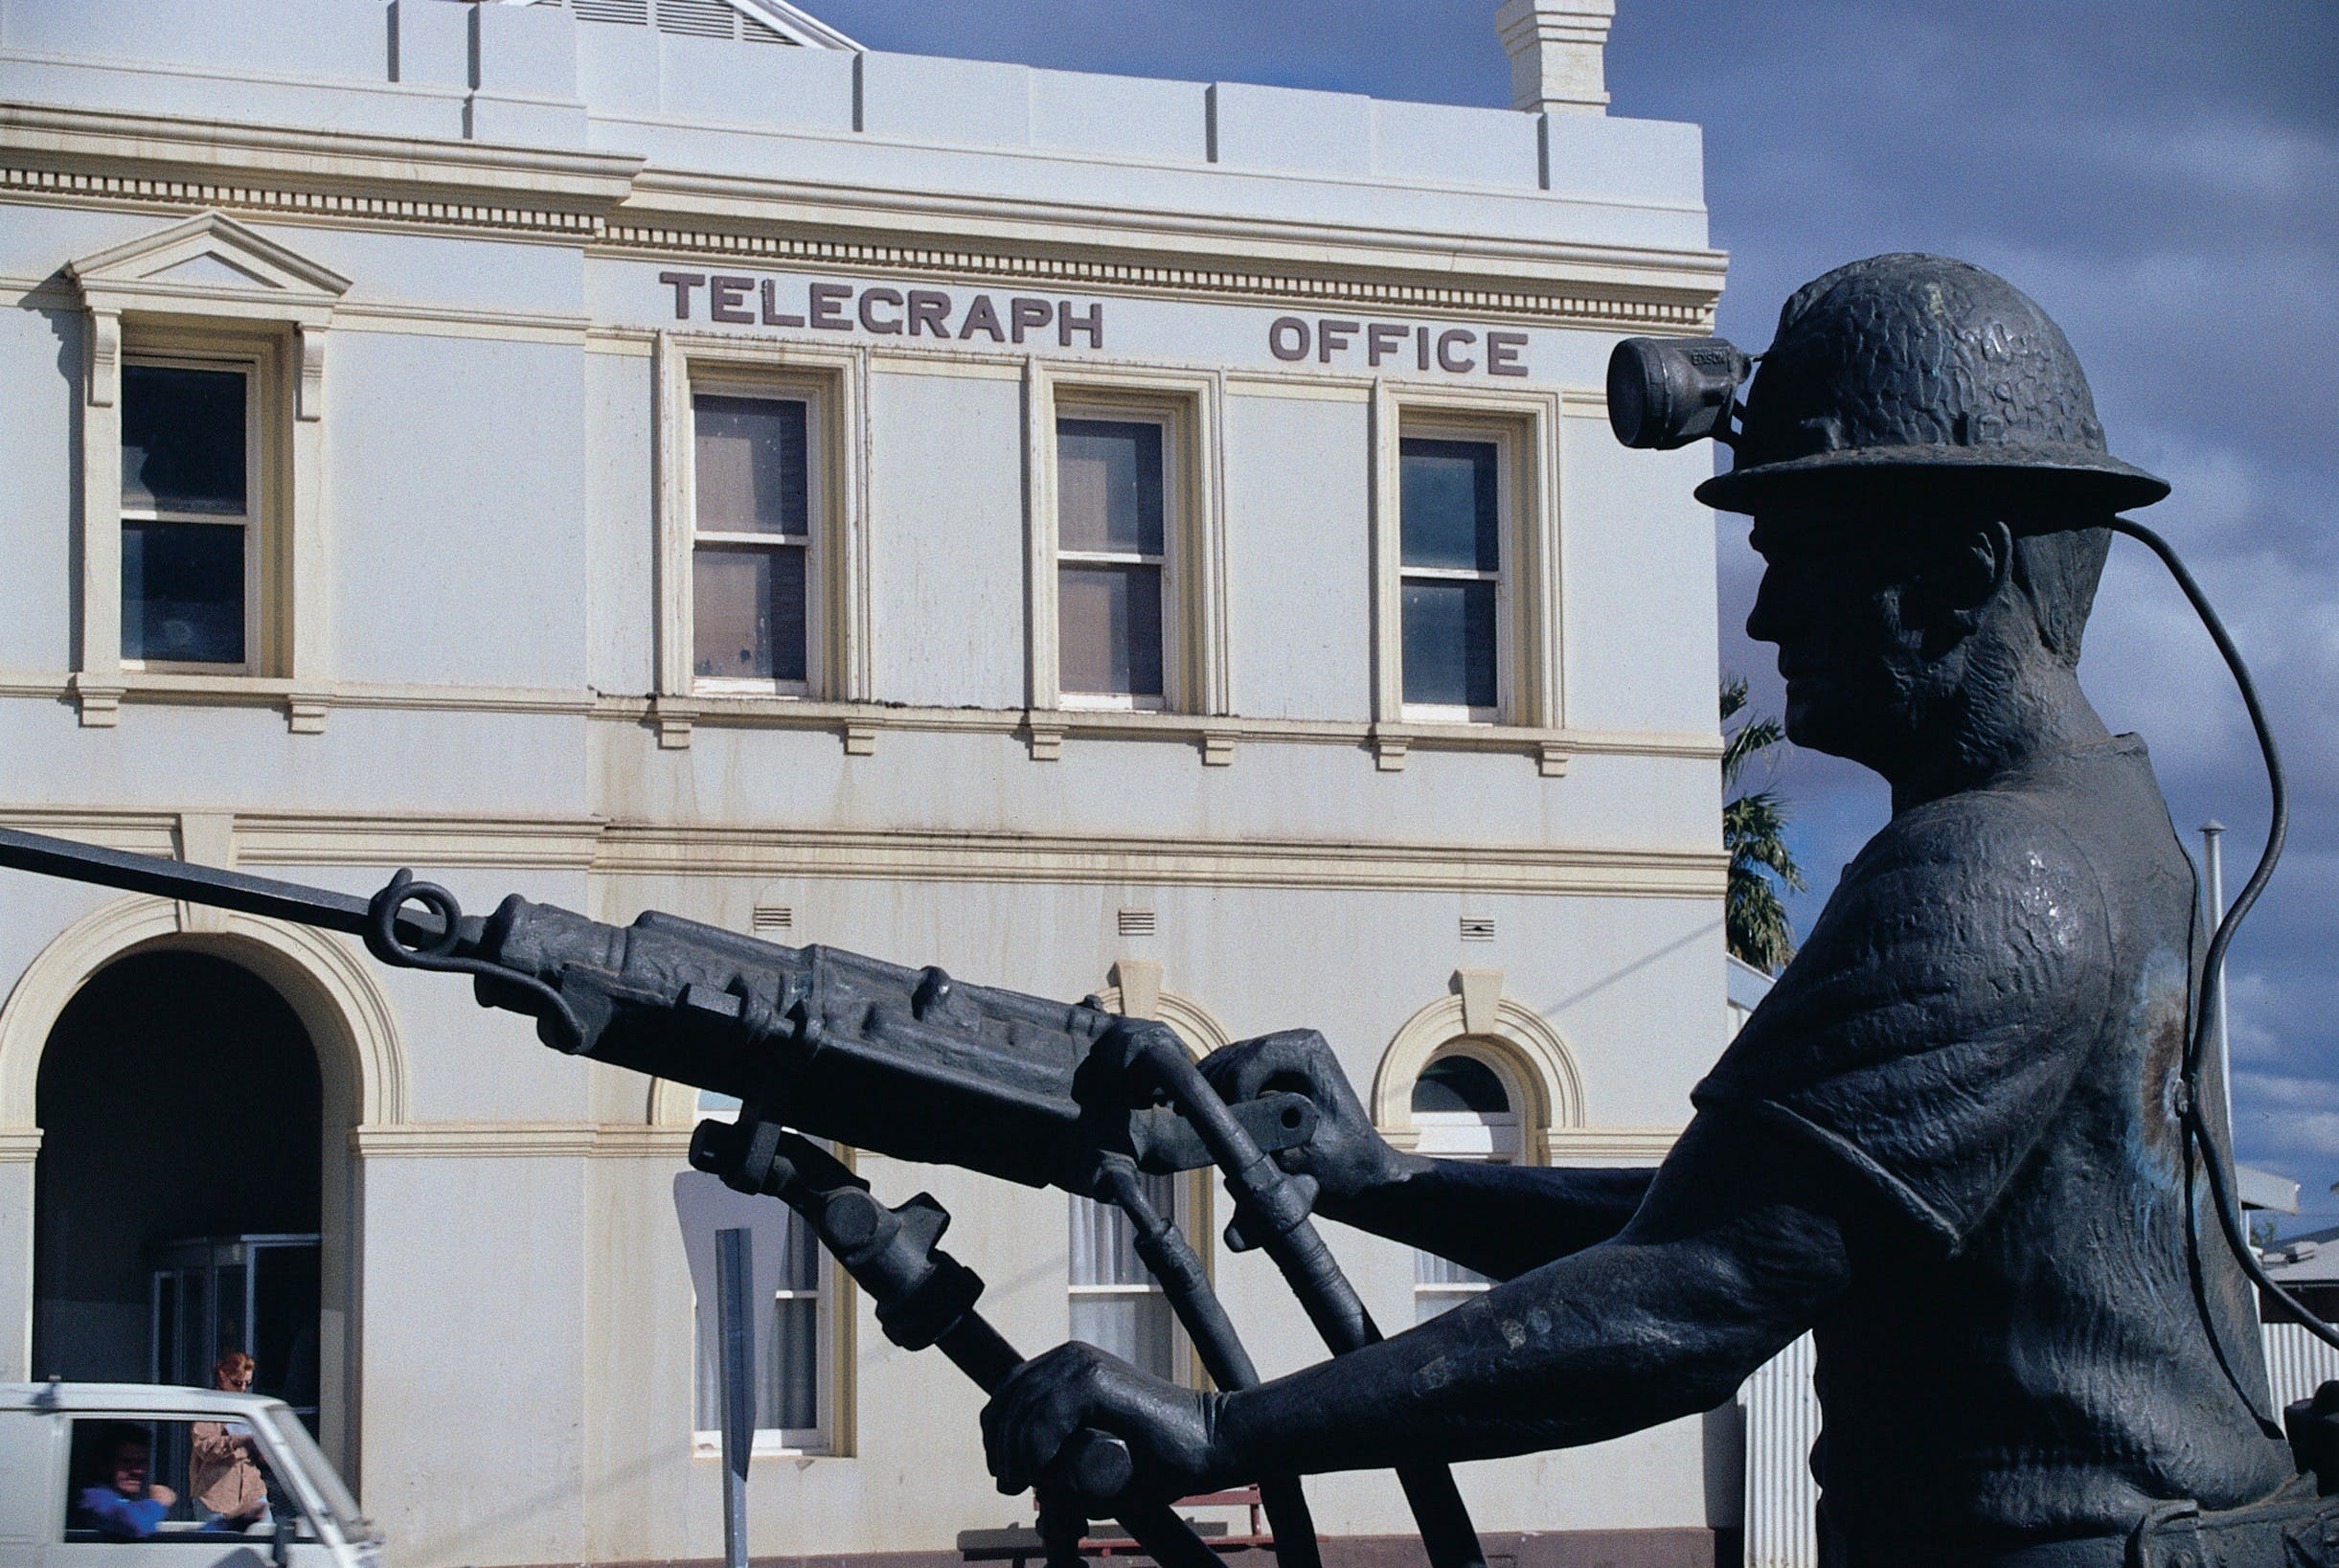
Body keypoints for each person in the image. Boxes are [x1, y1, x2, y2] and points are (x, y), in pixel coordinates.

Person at [980, 257, 2337, 1566]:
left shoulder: (1989, 876)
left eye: (1800, 552)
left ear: (1958, 574)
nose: (1762, 616)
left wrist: (1218, 1429)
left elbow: (1697, 1289)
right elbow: (1745, 1216)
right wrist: (1387, 1185)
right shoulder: (2100, 828)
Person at [191, 1351, 271, 1531]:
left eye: (246, 1384)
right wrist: (238, 1441)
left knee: (263, 1542)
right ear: (223, 1376)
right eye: (237, 1383)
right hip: (218, 1495)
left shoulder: (247, 1407)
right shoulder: (208, 1408)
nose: (242, 1389)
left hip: (252, 1491)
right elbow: (204, 1447)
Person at [72, 1424, 177, 1540]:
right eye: (127, 1462)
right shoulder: (93, 1498)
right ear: (105, 1465)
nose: (137, 1471)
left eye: (142, 1462)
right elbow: (137, 1525)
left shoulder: (125, 1499)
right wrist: (158, 1502)